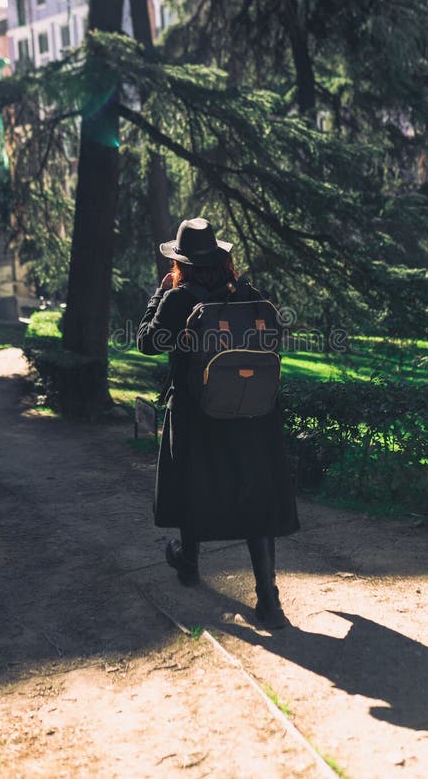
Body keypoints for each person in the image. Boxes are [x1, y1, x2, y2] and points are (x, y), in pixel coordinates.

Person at [137, 217, 299, 629]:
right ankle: (269, 602)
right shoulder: (247, 294)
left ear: (182, 263)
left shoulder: (178, 298)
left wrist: (159, 295)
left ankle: (189, 564)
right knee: (255, 498)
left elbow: (145, 342)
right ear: (222, 259)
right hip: (253, 414)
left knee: (192, 484)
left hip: (197, 413)